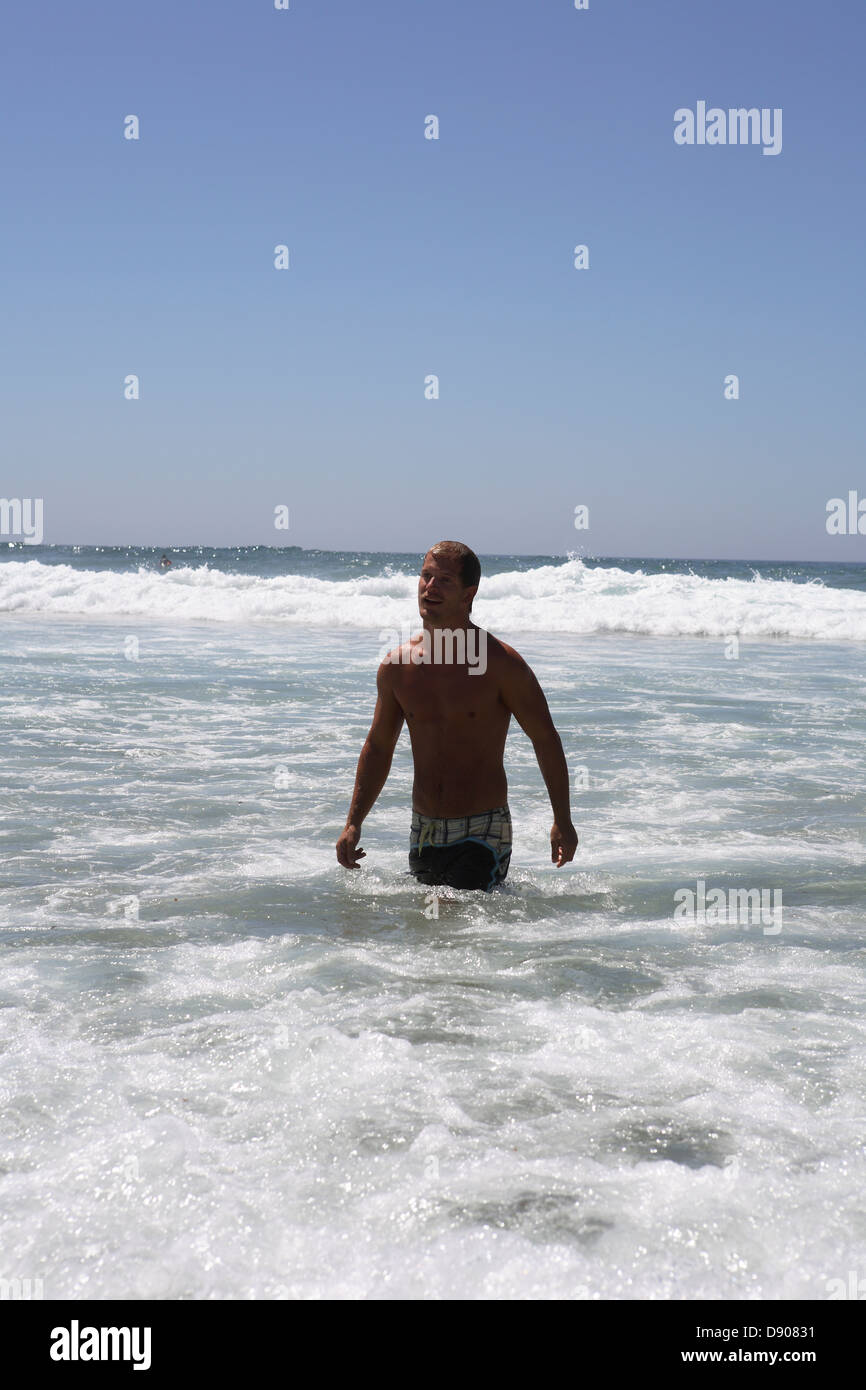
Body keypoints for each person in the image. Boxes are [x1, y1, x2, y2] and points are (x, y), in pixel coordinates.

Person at [336, 541, 578, 890]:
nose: (430, 587)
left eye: (444, 580)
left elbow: (545, 738)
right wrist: (353, 822)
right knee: (428, 929)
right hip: (424, 830)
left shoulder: (501, 665)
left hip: (483, 830)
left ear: (468, 594)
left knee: (453, 919)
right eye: (426, 576)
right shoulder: (397, 667)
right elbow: (378, 746)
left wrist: (562, 821)